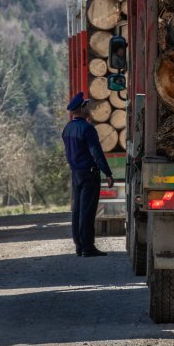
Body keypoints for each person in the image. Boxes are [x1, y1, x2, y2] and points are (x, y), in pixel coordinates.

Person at [62, 92, 114, 257]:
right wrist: (108, 173)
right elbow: (96, 153)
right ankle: (88, 247)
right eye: (86, 106)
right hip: (89, 174)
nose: (89, 108)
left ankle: (79, 245)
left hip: (75, 173)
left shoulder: (67, 128)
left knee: (77, 210)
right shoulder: (88, 128)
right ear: (81, 108)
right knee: (88, 211)